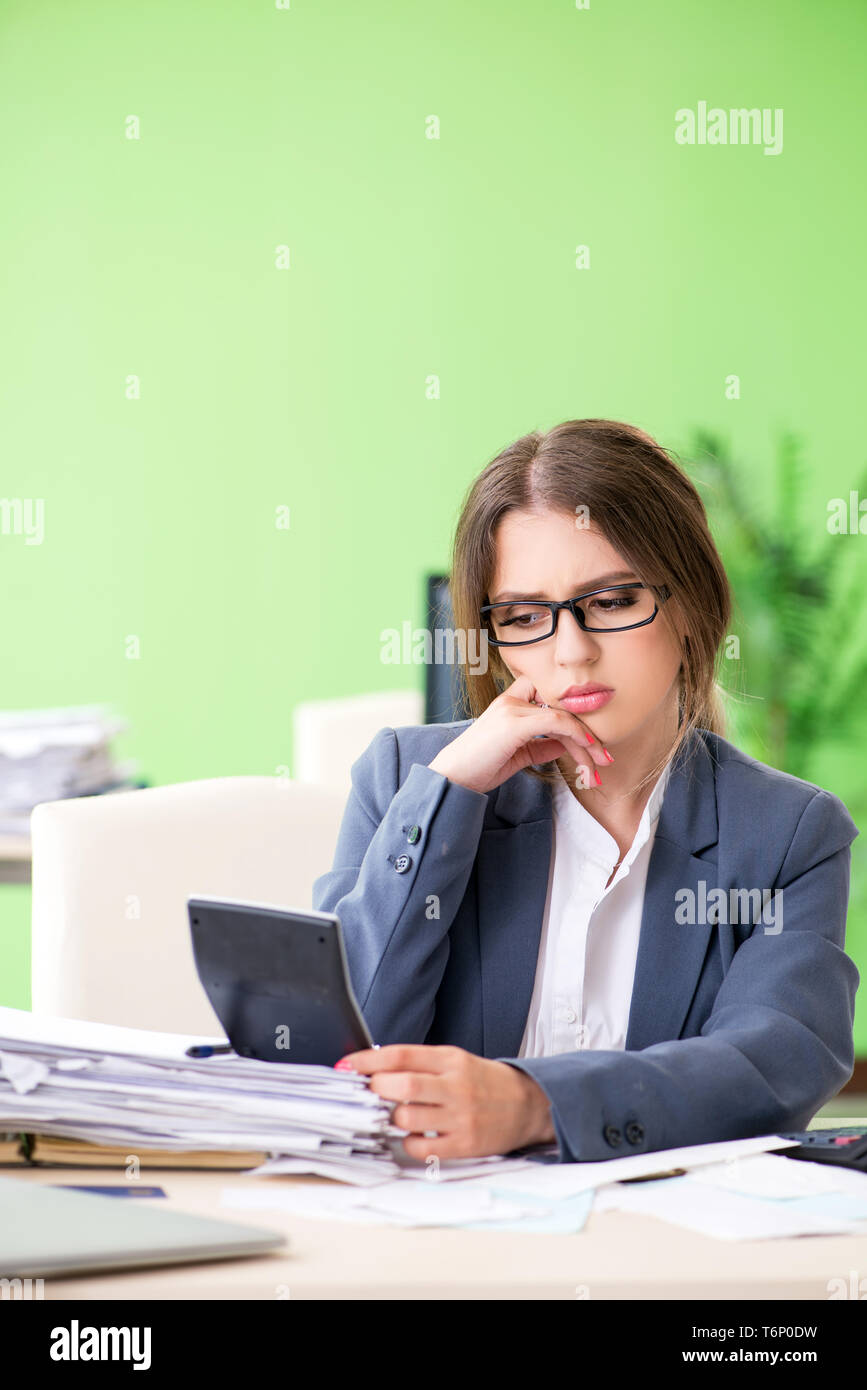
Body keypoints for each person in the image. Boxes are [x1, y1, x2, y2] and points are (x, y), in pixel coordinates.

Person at [312, 418, 860, 1163]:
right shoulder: (408, 782)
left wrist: (532, 1105)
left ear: (692, 605)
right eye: (523, 616)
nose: (570, 651)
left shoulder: (786, 831)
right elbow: (343, 1048)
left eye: (608, 601)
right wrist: (450, 796)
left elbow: (774, 1062)